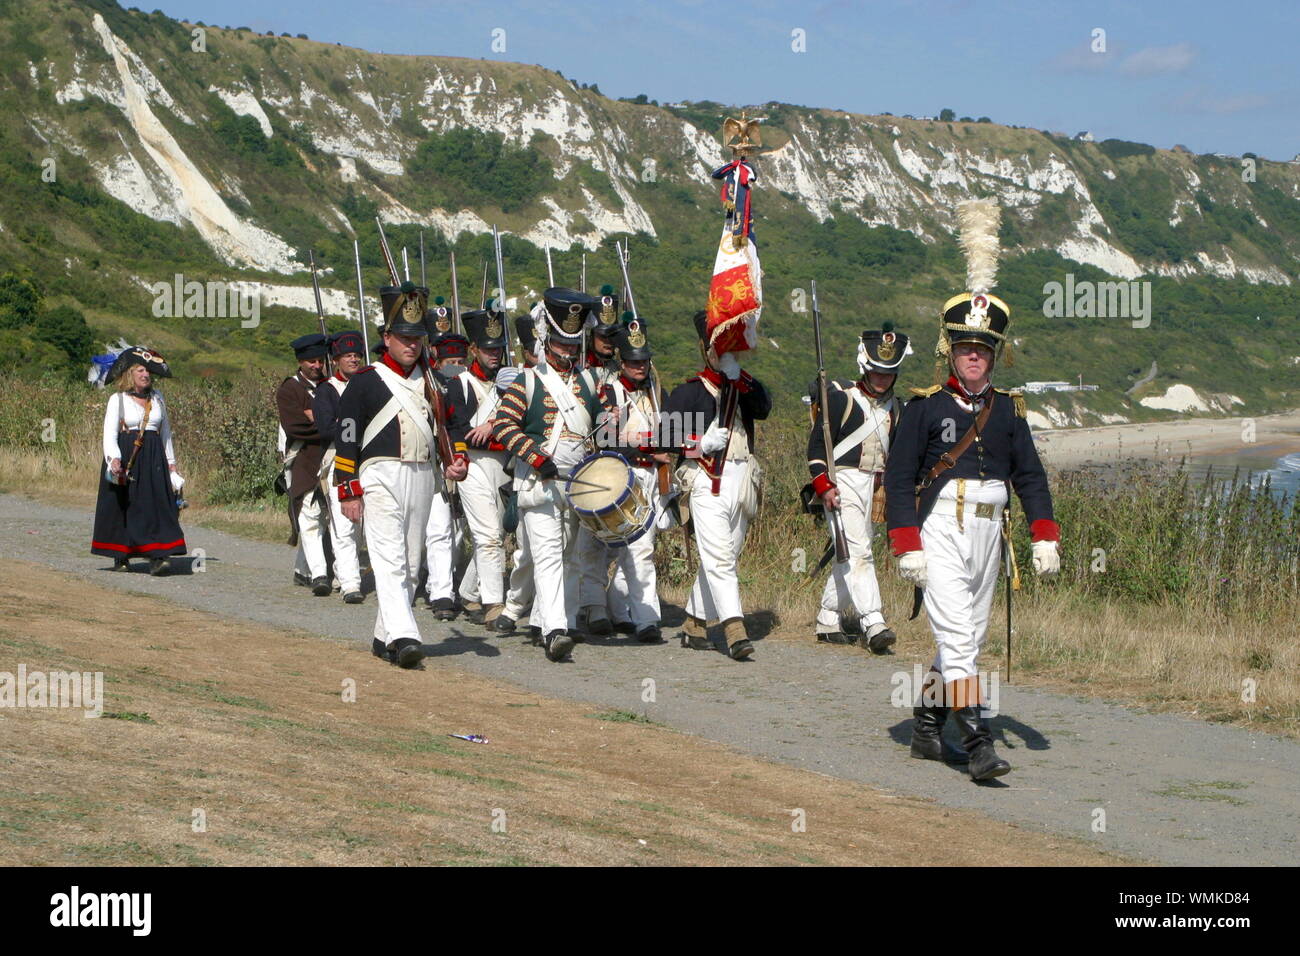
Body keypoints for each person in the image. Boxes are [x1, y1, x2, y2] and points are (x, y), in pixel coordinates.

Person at [884, 199, 1060, 782]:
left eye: (983, 351)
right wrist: (906, 543)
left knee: (968, 634)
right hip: (941, 528)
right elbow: (901, 477)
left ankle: (927, 726)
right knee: (960, 636)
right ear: (950, 353)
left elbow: (1029, 475)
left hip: (992, 533)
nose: (975, 359)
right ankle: (978, 738)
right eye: (965, 350)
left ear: (994, 355)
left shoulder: (1009, 411)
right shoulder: (924, 407)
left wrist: (1043, 535)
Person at [334, 281, 468, 669]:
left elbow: (453, 426)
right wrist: (348, 489)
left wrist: (457, 460)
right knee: (390, 558)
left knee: (409, 561)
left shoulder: (435, 382)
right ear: (387, 337)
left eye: (418, 338)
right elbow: (347, 437)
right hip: (378, 476)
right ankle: (407, 636)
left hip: (424, 474)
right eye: (405, 337)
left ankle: (383, 636)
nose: (412, 345)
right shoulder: (365, 381)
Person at [493, 289, 606, 662]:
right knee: (546, 555)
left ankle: (551, 619)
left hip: (576, 483)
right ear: (547, 341)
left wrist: (611, 423)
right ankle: (555, 630)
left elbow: (601, 429)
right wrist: (535, 456)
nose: (568, 352)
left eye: (573, 345)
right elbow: (503, 427)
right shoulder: (527, 380)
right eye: (561, 344)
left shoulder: (590, 383)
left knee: (572, 556)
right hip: (538, 481)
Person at [663, 311, 771, 661]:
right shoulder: (690, 392)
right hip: (706, 480)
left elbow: (764, 407)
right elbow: (663, 440)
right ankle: (734, 628)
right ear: (705, 351)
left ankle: (694, 624)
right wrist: (699, 444)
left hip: (742, 481)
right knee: (721, 558)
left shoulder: (742, 386)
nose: (727, 355)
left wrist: (740, 380)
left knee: (722, 558)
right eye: (720, 349)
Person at [807, 323, 908, 653]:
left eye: (888, 373)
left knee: (848, 552)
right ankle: (873, 621)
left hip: (874, 485)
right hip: (843, 481)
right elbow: (817, 449)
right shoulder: (841, 400)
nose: (882, 378)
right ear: (865, 366)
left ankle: (827, 617)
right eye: (877, 371)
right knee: (860, 550)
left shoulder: (896, 409)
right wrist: (824, 485)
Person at [594, 314, 670, 643]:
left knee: (641, 549)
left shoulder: (655, 389)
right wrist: (651, 448)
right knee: (621, 550)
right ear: (622, 361)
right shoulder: (608, 392)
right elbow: (605, 438)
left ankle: (633, 614)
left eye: (644, 361)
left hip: (653, 477)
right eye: (633, 361)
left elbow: (671, 432)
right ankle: (628, 614)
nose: (640, 367)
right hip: (623, 475)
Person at [445, 308, 514, 627]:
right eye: (488, 349)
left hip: (504, 463)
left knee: (497, 533)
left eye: (498, 349)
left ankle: (468, 590)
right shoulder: (458, 383)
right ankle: (493, 604)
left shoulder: (513, 381)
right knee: (487, 536)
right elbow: (455, 425)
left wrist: (495, 424)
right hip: (471, 463)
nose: (494, 355)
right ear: (474, 349)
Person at [92, 347, 186, 574]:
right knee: (124, 505)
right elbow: (109, 433)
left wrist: (171, 463)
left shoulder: (158, 398)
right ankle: (120, 555)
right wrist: (114, 460)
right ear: (130, 374)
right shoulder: (118, 400)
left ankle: (158, 555)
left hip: (154, 458)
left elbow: (165, 433)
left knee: (157, 505)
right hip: (127, 456)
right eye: (140, 370)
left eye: (148, 371)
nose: (146, 375)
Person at [421, 325, 473, 619]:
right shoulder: (426, 385)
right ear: (437, 361)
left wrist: (458, 456)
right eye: (450, 363)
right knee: (430, 532)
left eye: (460, 362)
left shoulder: (462, 386)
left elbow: (458, 427)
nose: (456, 368)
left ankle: (441, 590)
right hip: (420, 462)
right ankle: (433, 587)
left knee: (448, 531)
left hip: (451, 463)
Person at [311, 330, 367, 604]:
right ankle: (350, 583)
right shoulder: (326, 391)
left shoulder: (368, 385)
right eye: (348, 356)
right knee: (344, 523)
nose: (354, 360)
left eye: (357, 355)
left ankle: (342, 572)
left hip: (367, 461)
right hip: (338, 460)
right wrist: (356, 431)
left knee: (362, 526)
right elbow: (325, 428)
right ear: (336, 360)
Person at [276, 333, 330, 595]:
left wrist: (315, 418)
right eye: (311, 361)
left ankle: (302, 570)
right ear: (301, 362)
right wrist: (328, 424)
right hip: (303, 458)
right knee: (309, 514)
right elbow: (295, 428)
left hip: (330, 456)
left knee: (326, 518)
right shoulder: (289, 389)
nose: (316, 366)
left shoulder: (329, 385)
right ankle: (320, 575)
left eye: (319, 360)